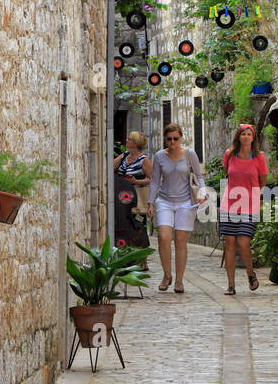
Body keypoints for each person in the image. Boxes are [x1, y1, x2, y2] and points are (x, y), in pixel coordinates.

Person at [147, 122, 206, 293]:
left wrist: (202, 192)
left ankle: (179, 280)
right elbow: (155, 180)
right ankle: (167, 275)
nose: (172, 142)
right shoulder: (159, 156)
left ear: (181, 138)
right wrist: (150, 202)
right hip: (164, 201)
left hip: (185, 203)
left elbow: (199, 177)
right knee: (164, 237)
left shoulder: (190, 154)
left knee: (181, 241)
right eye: (169, 139)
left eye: (176, 139)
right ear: (165, 139)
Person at [219, 123, 268, 295]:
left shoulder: (259, 157)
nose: (246, 136)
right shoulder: (230, 154)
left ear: (253, 137)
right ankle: (231, 285)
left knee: (244, 242)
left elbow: (263, 182)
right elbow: (227, 173)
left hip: (249, 206)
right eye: (243, 134)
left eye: (249, 134)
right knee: (230, 244)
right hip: (229, 205)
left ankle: (250, 273)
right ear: (238, 136)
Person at [113, 131, 152, 259]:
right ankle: (123, 258)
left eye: (129, 139)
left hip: (136, 199)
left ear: (135, 143)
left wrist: (136, 181)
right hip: (121, 200)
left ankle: (140, 260)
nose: (126, 140)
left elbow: (152, 179)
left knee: (137, 228)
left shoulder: (144, 160)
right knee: (122, 228)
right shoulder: (124, 156)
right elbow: (110, 167)